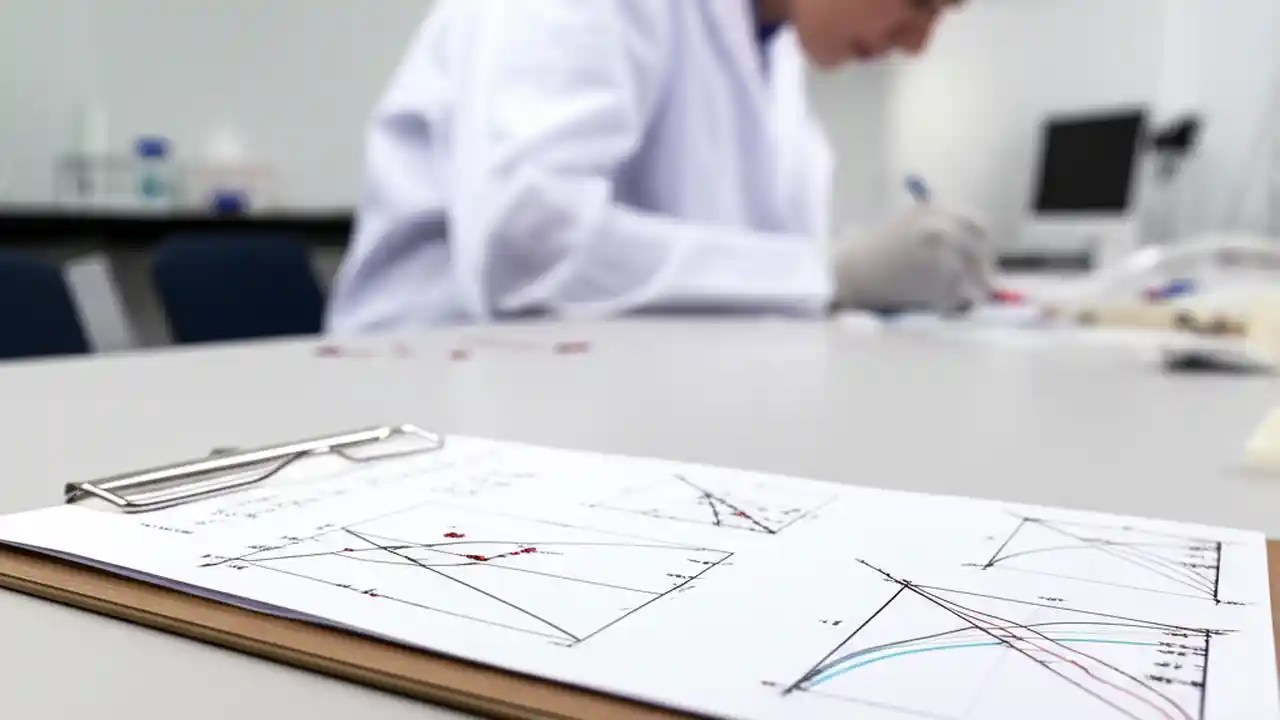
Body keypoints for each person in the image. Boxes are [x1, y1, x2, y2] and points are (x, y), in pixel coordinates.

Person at [326, 0, 989, 334]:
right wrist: (834, 273)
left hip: (622, 391)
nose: (919, 41)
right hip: (426, 392)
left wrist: (846, 284)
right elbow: (529, 249)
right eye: (921, 0)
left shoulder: (773, 55)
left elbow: (757, 276)